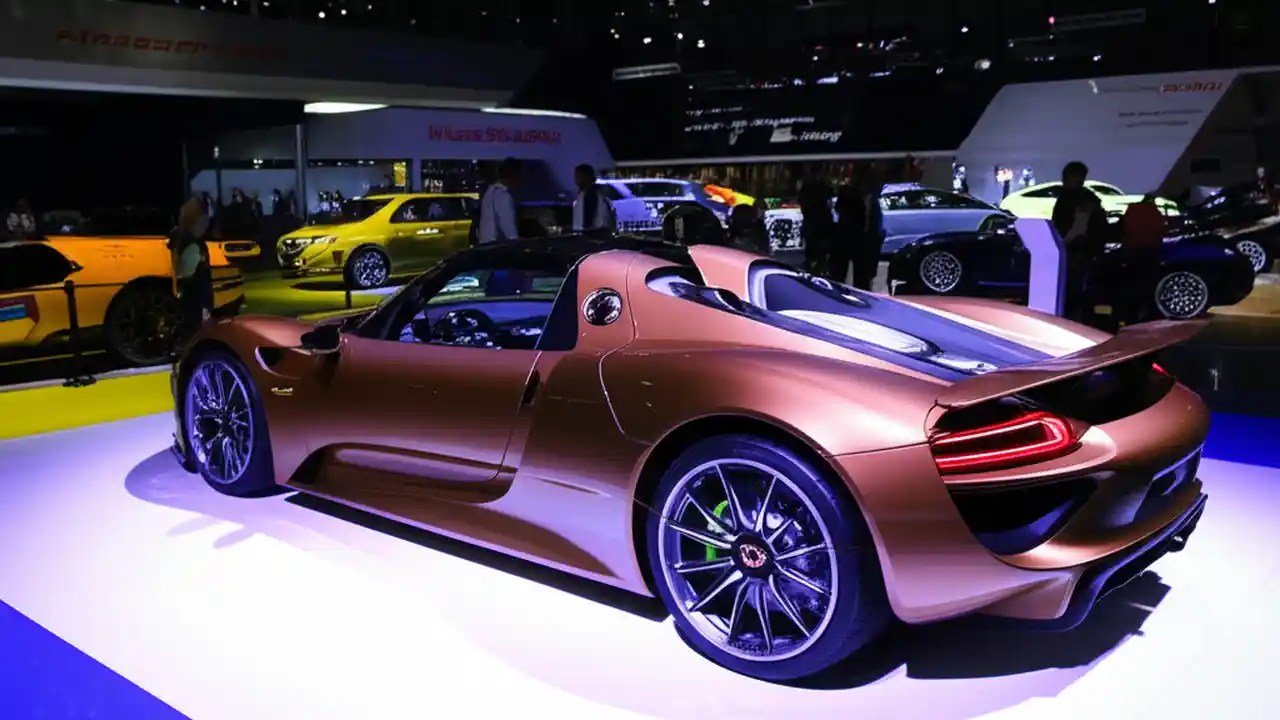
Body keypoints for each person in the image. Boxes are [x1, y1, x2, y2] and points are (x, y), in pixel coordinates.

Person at [1051, 161, 1110, 319]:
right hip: (1080, 250)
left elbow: (1061, 224)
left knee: (1072, 290)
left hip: (1078, 250)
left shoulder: (1072, 199)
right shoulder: (1086, 199)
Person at [169, 198, 214, 346]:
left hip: (190, 285)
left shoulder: (180, 235)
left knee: (192, 322)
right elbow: (182, 265)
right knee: (194, 323)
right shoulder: (190, 239)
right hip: (194, 287)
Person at [1116, 195, 1166, 325]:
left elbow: (1124, 230)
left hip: (1133, 251)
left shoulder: (1132, 210)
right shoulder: (1154, 213)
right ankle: (1144, 315)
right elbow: (1160, 230)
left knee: (1132, 284)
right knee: (1147, 286)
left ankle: (1129, 315)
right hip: (1149, 252)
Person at [853, 175, 886, 290]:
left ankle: (867, 287)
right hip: (864, 238)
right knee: (862, 268)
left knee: (869, 268)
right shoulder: (863, 201)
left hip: (871, 237)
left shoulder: (874, 201)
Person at [478, 158, 521, 244]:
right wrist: (516, 244)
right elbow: (508, 227)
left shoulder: (489, 193)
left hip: (485, 245)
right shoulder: (503, 197)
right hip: (497, 248)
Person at [798, 173, 834, 275]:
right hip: (816, 225)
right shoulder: (817, 191)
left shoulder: (814, 192)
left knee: (818, 249)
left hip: (817, 225)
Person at [571, 164, 616, 235]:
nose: (575, 179)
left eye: (578, 175)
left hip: (595, 238)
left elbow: (587, 223)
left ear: (586, 177)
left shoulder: (593, 197)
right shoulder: (582, 195)